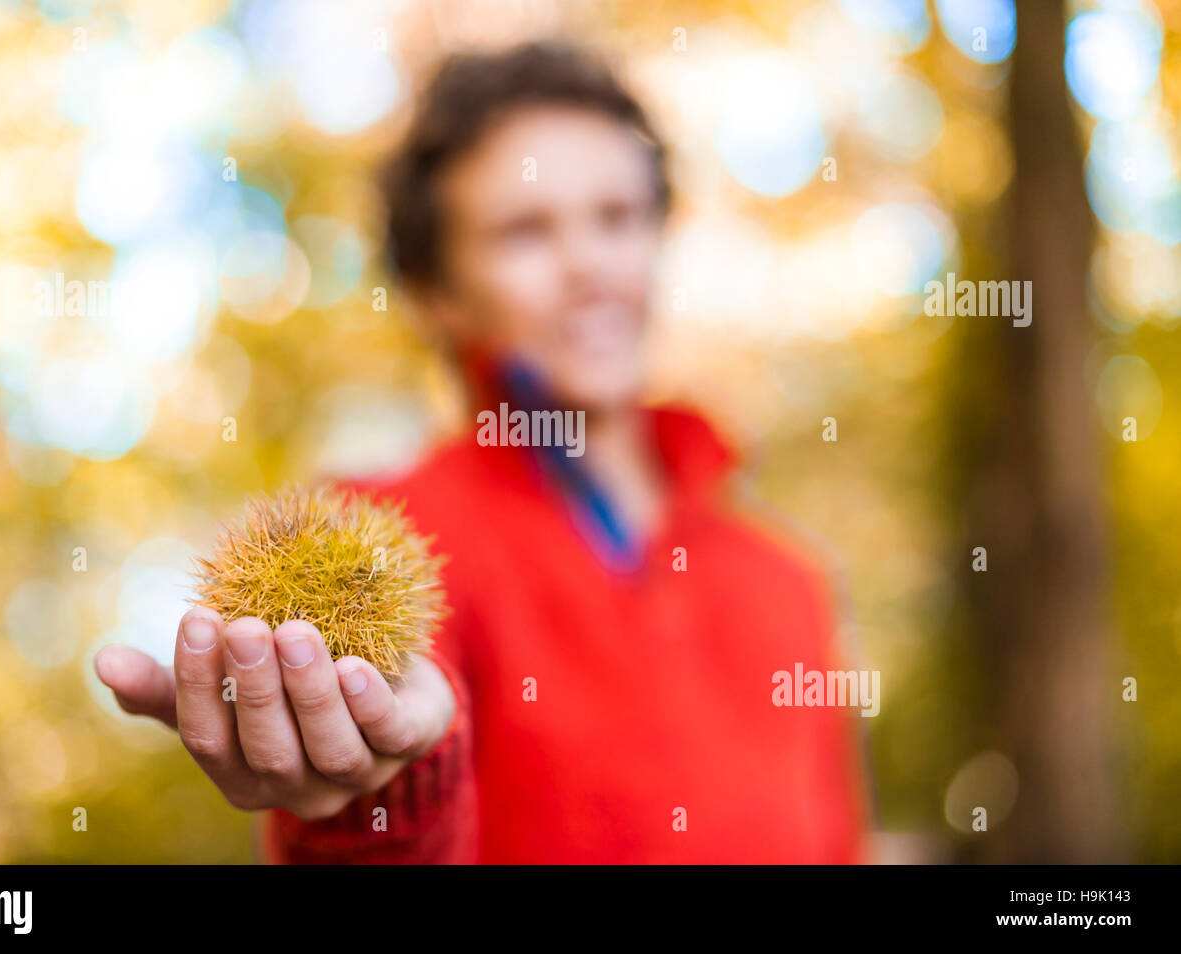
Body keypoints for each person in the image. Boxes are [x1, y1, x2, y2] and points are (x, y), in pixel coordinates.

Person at [95, 40, 871, 863]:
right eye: (524, 232)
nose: (589, 267)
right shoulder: (382, 532)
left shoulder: (790, 581)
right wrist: (373, 797)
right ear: (438, 294)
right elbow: (386, 787)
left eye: (617, 218)